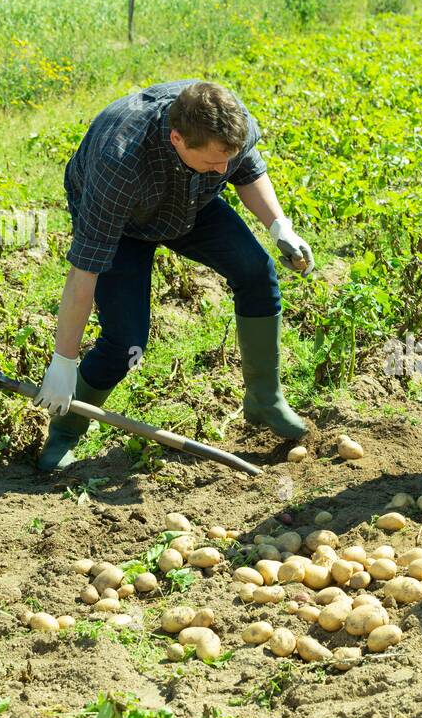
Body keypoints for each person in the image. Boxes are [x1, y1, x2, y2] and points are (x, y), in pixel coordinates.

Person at [32, 80, 314, 472]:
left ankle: (265, 399)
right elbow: (84, 273)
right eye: (216, 162)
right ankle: (64, 431)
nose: (223, 170)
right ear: (177, 139)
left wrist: (279, 225)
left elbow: (247, 171)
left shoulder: (228, 127)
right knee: (125, 345)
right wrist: (63, 362)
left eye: (226, 159)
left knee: (256, 271)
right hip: (123, 224)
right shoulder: (119, 160)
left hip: (190, 204)